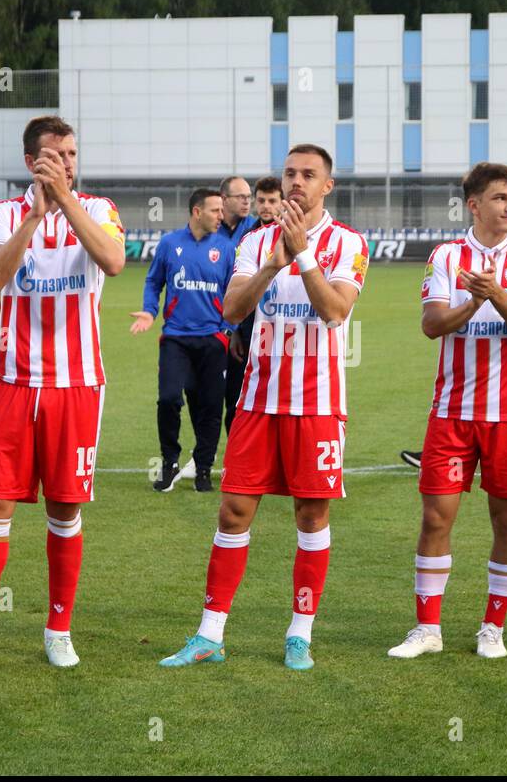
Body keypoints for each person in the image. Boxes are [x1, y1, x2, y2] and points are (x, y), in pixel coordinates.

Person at [158, 144, 368, 671]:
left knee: (310, 514)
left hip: (318, 405)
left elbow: (336, 311)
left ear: (328, 186)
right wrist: (274, 263)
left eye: (308, 175)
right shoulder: (254, 242)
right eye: (290, 173)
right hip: (258, 400)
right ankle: (210, 634)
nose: (296, 182)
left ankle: (300, 634)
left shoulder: (348, 244)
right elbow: (229, 310)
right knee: (232, 512)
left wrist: (303, 256)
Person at [0, 115, 125, 676]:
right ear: (30, 162)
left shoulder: (100, 209)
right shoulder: (5, 214)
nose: (66, 162)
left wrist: (66, 203)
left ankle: (58, 630)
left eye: (71, 153)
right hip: (14, 384)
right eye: (54, 155)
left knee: (64, 509)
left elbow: (113, 262)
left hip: (76, 387)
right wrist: (37, 217)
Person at [387, 163, 507, 660]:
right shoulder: (446, 256)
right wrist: (474, 301)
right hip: (451, 414)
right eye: (500, 197)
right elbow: (433, 324)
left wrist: (496, 293)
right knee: (436, 518)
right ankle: (427, 629)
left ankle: (492, 629)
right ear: (474, 205)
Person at [130, 188, 236, 493]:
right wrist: (150, 311)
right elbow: (154, 281)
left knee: (210, 407)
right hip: (176, 339)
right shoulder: (169, 244)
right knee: (169, 399)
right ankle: (169, 463)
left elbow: (237, 290)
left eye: (222, 211)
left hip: (213, 340)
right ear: (196, 212)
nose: (221, 216)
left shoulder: (227, 248)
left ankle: (203, 468)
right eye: (216, 210)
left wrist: (227, 330)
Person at [226, 176, 282, 433]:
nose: (266, 206)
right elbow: (236, 289)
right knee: (236, 402)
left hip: (282, 335)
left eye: (272, 200)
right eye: (261, 200)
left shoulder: (295, 236)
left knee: (276, 403)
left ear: (282, 202)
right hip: (248, 334)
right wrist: (234, 330)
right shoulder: (249, 238)